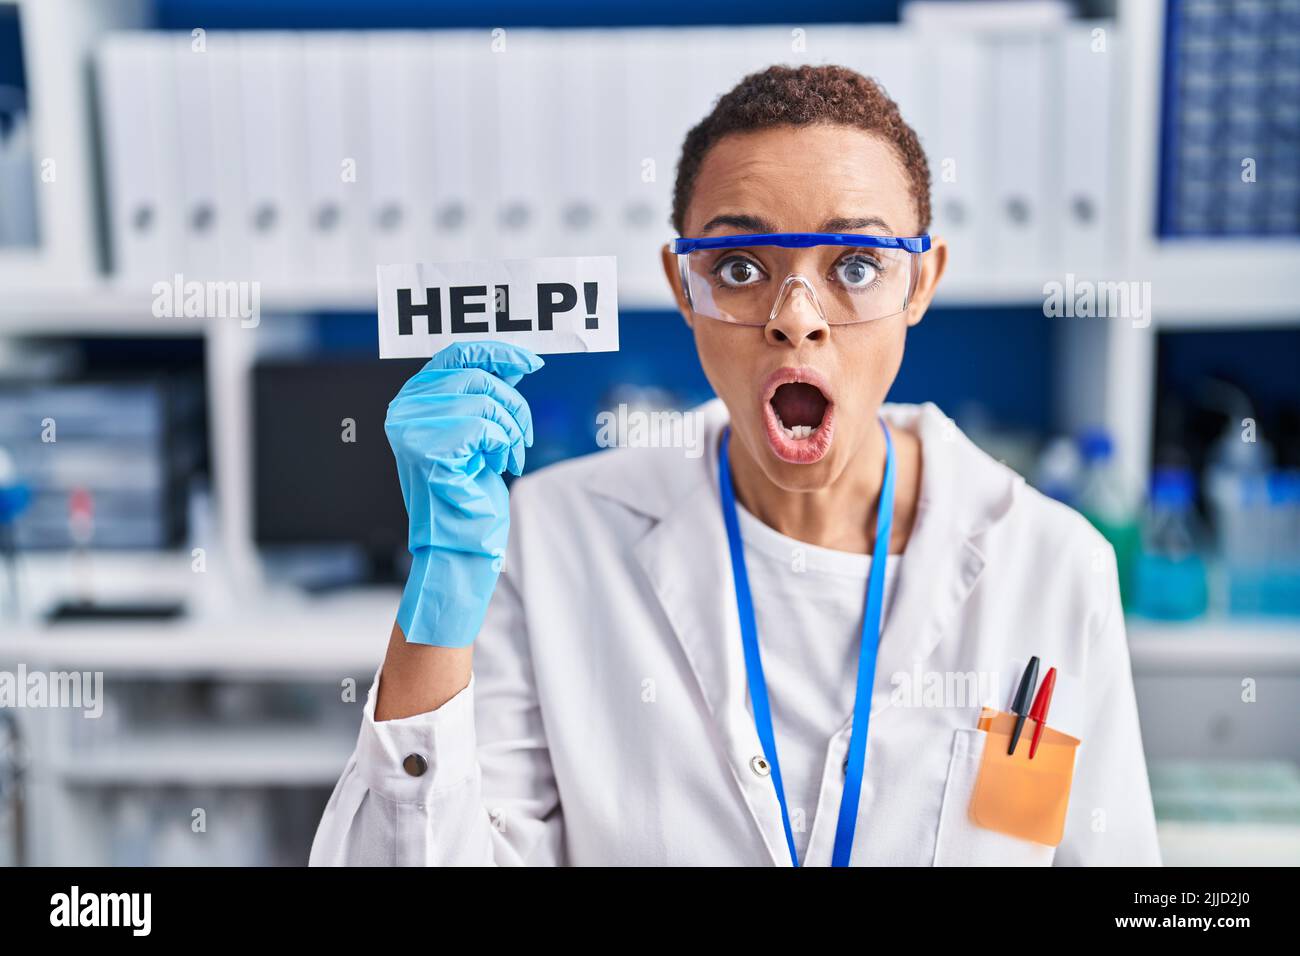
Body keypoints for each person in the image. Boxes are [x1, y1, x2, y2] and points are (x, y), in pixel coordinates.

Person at [310, 64, 1160, 866]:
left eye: (857, 266)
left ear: (920, 283)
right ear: (684, 289)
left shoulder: (1050, 565)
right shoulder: (551, 542)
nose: (796, 321)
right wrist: (442, 593)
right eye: (740, 268)